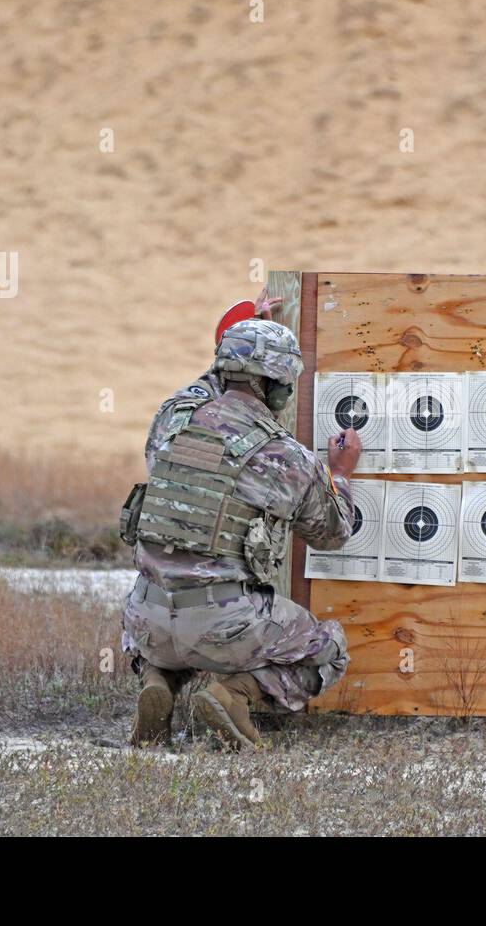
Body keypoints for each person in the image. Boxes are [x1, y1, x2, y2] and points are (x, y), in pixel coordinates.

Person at [119, 295, 362, 749]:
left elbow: (205, 384)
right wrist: (340, 474)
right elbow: (334, 533)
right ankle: (232, 695)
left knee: (166, 616)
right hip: (221, 627)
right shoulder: (287, 458)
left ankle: (158, 684)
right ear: (277, 389)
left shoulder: (171, 422)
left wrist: (245, 335)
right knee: (328, 649)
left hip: (145, 621)